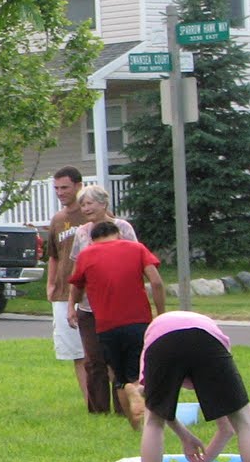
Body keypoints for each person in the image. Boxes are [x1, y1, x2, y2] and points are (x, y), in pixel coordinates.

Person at [122, 312, 250, 462]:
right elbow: (230, 425)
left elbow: (156, 405)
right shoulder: (213, 352)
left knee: (153, 421)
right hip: (206, 338)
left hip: (162, 341)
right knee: (245, 422)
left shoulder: (151, 346)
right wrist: (185, 436)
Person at [66, 221, 165, 417]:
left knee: (117, 375)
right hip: (138, 321)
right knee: (137, 371)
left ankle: (130, 420)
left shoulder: (86, 254)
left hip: (106, 325)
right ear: (118, 234)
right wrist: (160, 313)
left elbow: (77, 286)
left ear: (93, 240)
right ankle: (141, 407)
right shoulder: (137, 248)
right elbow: (156, 282)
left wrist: (72, 306)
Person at [68, 183, 137, 415]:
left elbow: (136, 261)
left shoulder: (123, 228)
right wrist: (72, 305)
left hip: (119, 307)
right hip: (89, 307)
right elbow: (77, 273)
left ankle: (124, 408)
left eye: (89, 203)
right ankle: (98, 411)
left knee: (119, 359)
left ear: (103, 204)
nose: (86, 208)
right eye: (82, 205)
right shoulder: (81, 232)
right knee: (93, 360)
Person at [43, 166, 88, 402]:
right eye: (57, 188)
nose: (60, 192)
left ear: (79, 186)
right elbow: (54, 255)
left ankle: (112, 400)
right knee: (76, 353)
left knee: (99, 353)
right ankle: (91, 403)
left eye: (65, 187)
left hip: (91, 292)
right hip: (63, 293)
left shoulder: (92, 214)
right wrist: (50, 284)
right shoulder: (58, 220)